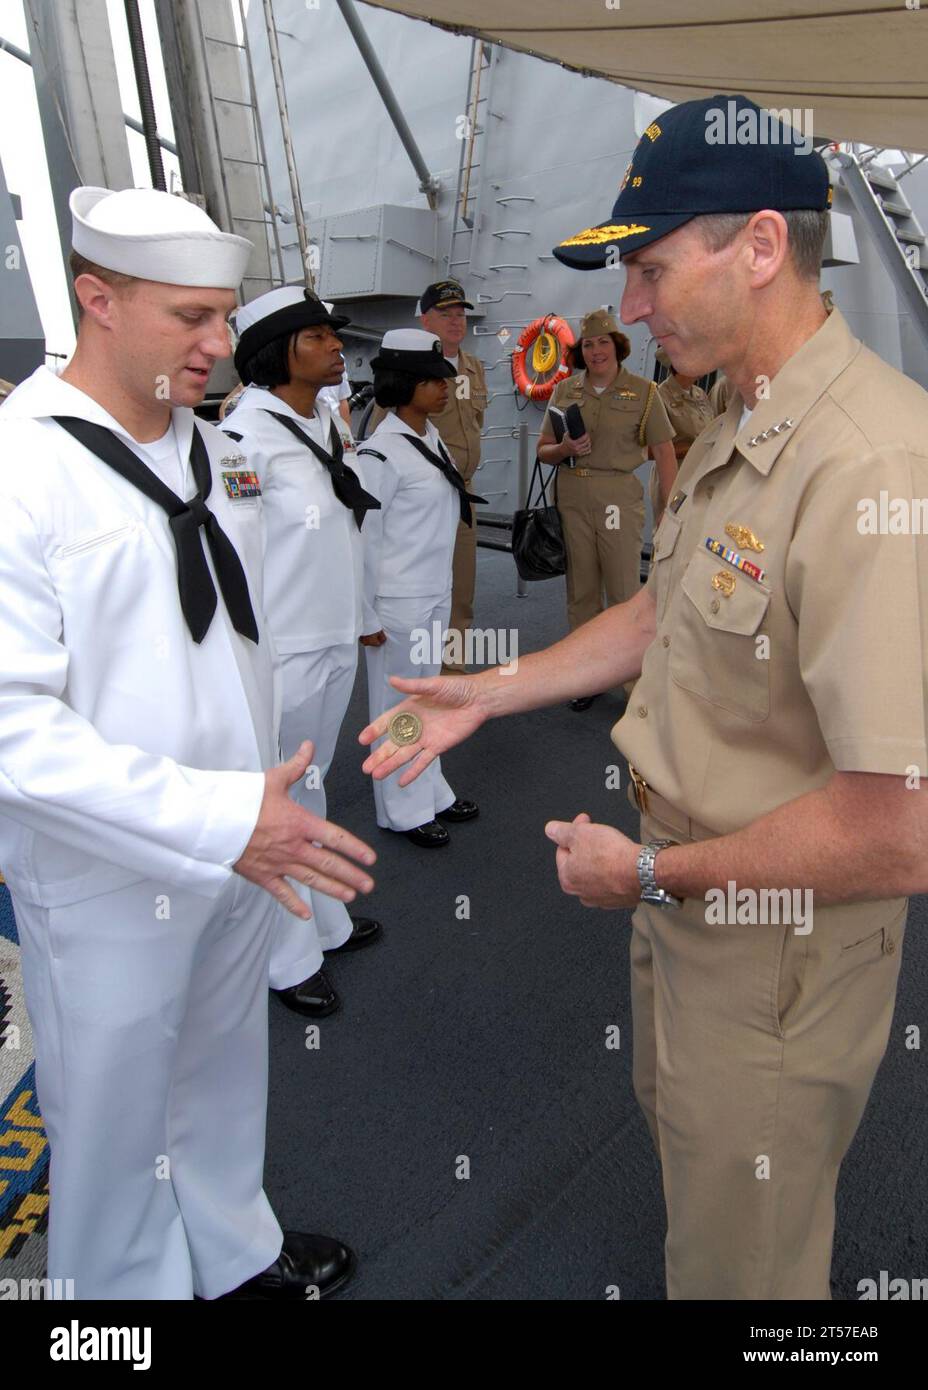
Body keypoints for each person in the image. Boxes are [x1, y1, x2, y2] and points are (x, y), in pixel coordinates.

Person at [358, 94, 928, 1301]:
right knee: (701, 1200)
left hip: (770, 944)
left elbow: (901, 828)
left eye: (652, 268)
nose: (626, 307)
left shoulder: (873, 465)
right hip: (691, 910)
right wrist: (487, 692)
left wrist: (651, 875)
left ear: (760, 246)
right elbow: (667, 605)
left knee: (747, 1270)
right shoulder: (742, 410)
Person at [0, 186, 376, 1299]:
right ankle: (124, 1302)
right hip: (108, 867)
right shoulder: (22, 471)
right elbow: (14, 733)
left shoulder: (212, 452)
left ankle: (231, 1248)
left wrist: (251, 814)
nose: (221, 344)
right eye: (192, 318)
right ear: (95, 299)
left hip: (241, 837)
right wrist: (222, 819)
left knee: (220, 1073)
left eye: (223, 316)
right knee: (113, 1117)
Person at [222, 286, 384, 1020]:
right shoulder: (243, 437)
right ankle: (286, 962)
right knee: (279, 798)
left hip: (332, 632)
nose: (334, 347)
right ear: (280, 350)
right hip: (282, 644)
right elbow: (234, 555)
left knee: (312, 783)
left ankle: (323, 922)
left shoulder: (323, 421)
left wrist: (362, 614)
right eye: (318, 336)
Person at [357, 329, 482, 847]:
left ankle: (430, 787)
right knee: (399, 709)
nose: (445, 387)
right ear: (404, 385)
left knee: (428, 702)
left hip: (432, 593)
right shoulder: (379, 455)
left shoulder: (427, 440)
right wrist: (365, 617)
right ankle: (403, 807)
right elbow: (363, 540)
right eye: (433, 380)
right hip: (399, 604)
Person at [537, 310, 675, 710]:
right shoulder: (564, 391)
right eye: (588, 344)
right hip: (573, 497)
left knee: (624, 593)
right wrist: (563, 449)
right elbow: (543, 450)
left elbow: (665, 452)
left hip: (618, 496)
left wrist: (670, 506)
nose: (596, 350)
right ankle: (586, 677)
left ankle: (636, 687)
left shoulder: (645, 392)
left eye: (603, 342)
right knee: (581, 593)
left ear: (617, 346)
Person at [368, 280, 488, 673]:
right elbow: (385, 441)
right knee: (416, 590)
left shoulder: (474, 368)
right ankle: (413, 671)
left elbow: (475, 425)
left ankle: (450, 673)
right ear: (425, 320)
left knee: (457, 594)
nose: (456, 321)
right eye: (445, 314)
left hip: (460, 494)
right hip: (416, 500)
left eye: (460, 314)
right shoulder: (406, 377)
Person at [648, 345, 715, 526]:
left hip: (700, 475)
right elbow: (648, 450)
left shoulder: (700, 394)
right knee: (669, 530)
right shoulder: (659, 396)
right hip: (674, 476)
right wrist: (691, 448)